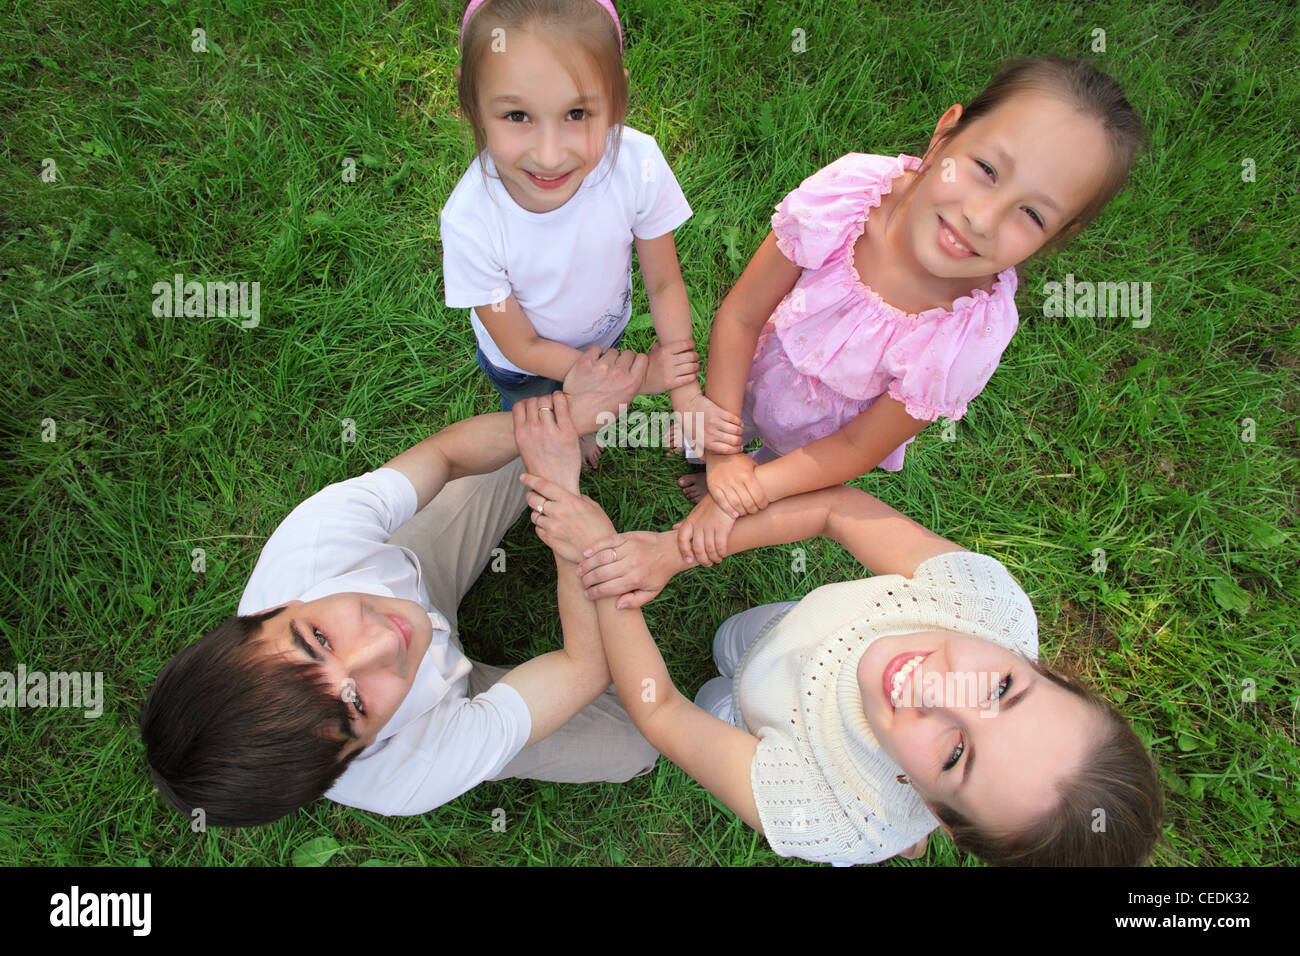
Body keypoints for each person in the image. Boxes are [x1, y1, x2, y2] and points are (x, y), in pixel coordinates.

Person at [515, 467, 1164, 866]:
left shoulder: (824, 813)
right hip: (786, 630)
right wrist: (672, 552)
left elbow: (661, 711)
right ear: (1047, 669)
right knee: (734, 641)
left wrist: (600, 562)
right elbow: (833, 509)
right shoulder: (985, 607)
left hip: (766, 727)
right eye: (1001, 687)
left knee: (717, 703)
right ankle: (911, 826)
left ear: (943, 814)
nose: (940, 690)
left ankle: (894, 841)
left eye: (957, 753)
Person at [139, 348, 660, 827]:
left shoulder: (311, 548)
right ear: (350, 763)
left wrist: (570, 413)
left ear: (268, 611)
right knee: (642, 741)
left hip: (416, 567)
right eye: (357, 706)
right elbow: (580, 667)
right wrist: (567, 515)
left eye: (319, 638)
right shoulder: (411, 772)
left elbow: (446, 457)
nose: (385, 641)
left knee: (530, 447)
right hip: (450, 708)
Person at [676, 57, 1145, 565]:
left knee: (771, 472)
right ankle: (719, 457)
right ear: (945, 135)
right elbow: (742, 317)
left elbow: (857, 446)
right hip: (754, 369)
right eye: (986, 170)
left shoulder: (970, 334)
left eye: (1031, 214)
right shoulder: (846, 197)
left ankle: (751, 480)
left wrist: (751, 488)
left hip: (820, 445)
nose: (981, 219)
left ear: (1059, 235)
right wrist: (723, 460)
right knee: (727, 434)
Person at [442, 0, 744, 464]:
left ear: (616, 94)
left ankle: (584, 426)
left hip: (606, 336)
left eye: (577, 113)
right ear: (471, 98)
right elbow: (521, 344)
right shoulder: (470, 221)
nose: (548, 154)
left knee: (585, 408)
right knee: (539, 424)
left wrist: (684, 395)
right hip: (525, 367)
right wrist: (635, 379)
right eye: (517, 116)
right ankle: (570, 435)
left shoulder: (636, 166)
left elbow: (663, 284)